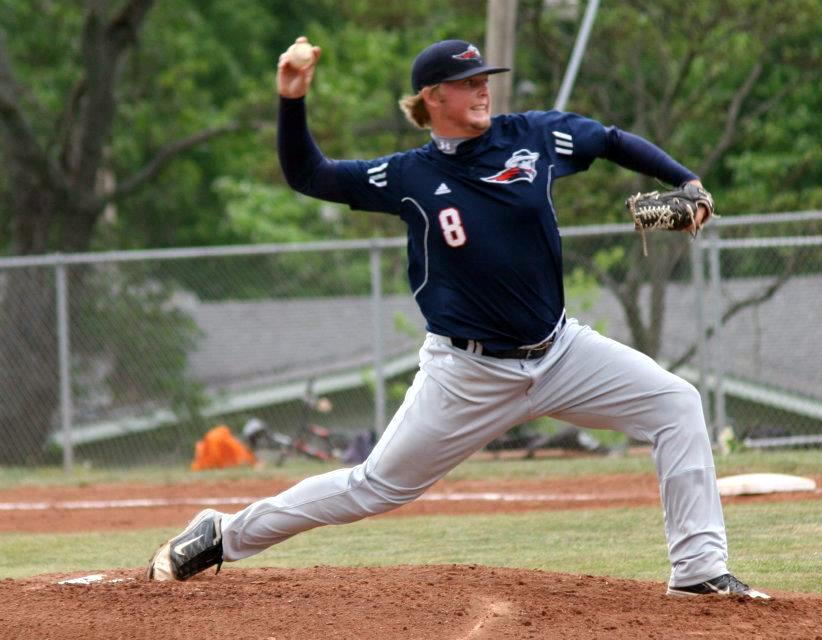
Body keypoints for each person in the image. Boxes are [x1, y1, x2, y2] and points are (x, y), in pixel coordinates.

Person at [147, 37, 769, 599]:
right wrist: (291, 99)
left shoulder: (533, 136)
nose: (483, 90)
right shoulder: (410, 175)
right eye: (469, 82)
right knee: (372, 487)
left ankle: (697, 571)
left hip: (560, 352)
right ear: (433, 97)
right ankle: (223, 535)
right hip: (466, 372)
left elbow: (608, 140)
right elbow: (309, 175)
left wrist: (684, 179)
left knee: (676, 404)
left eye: (484, 79)